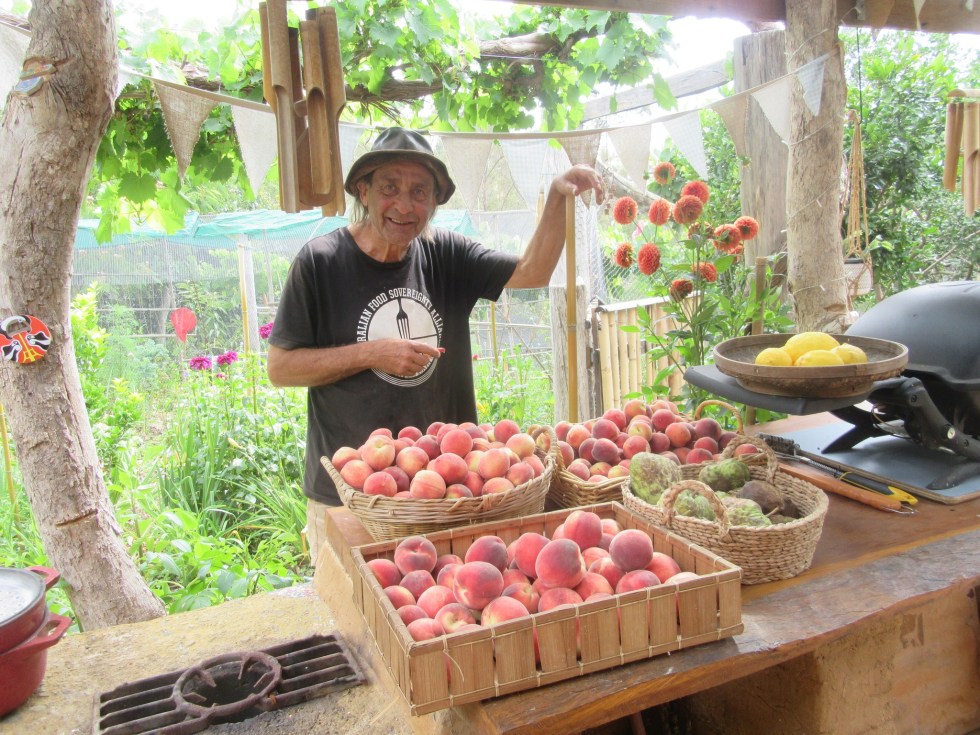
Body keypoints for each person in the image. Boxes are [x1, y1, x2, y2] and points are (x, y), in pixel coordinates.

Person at [267, 127, 604, 562]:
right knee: (352, 617)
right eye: (390, 187)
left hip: (445, 490)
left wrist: (558, 197)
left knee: (442, 611)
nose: (405, 205)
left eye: (420, 192)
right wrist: (374, 352)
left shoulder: (445, 254)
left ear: (434, 202)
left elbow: (533, 271)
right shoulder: (321, 262)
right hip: (351, 495)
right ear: (363, 191)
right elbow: (281, 367)